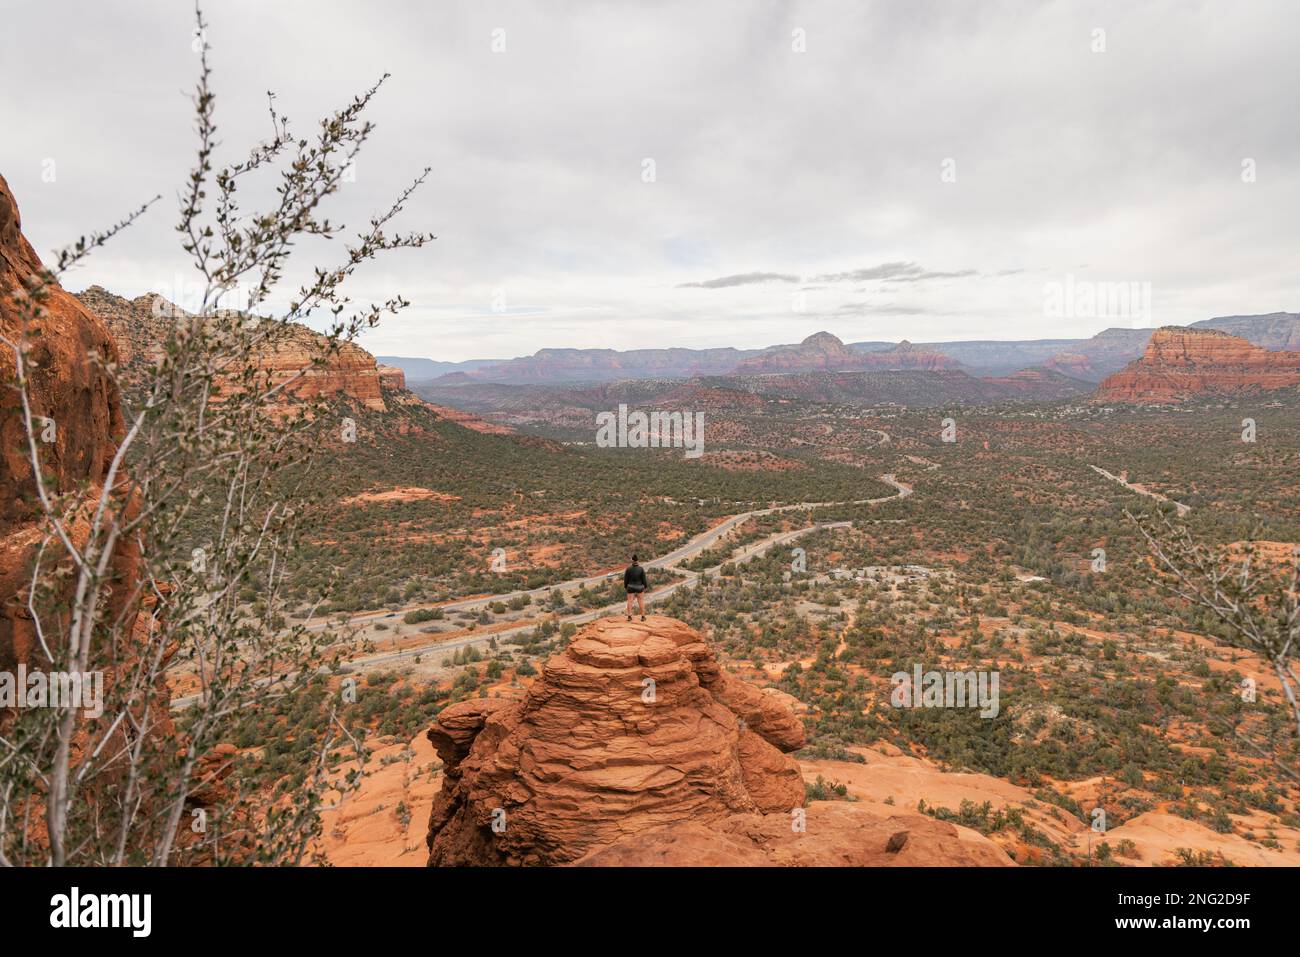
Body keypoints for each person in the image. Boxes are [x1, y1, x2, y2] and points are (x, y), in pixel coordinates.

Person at [623, 554, 648, 621]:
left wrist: (626, 587)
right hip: (639, 587)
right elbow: (644, 579)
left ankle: (629, 617)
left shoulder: (628, 569)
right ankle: (643, 617)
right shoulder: (641, 569)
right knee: (641, 601)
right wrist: (645, 586)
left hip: (630, 587)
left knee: (630, 601)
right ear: (637, 561)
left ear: (632, 560)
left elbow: (626, 579)